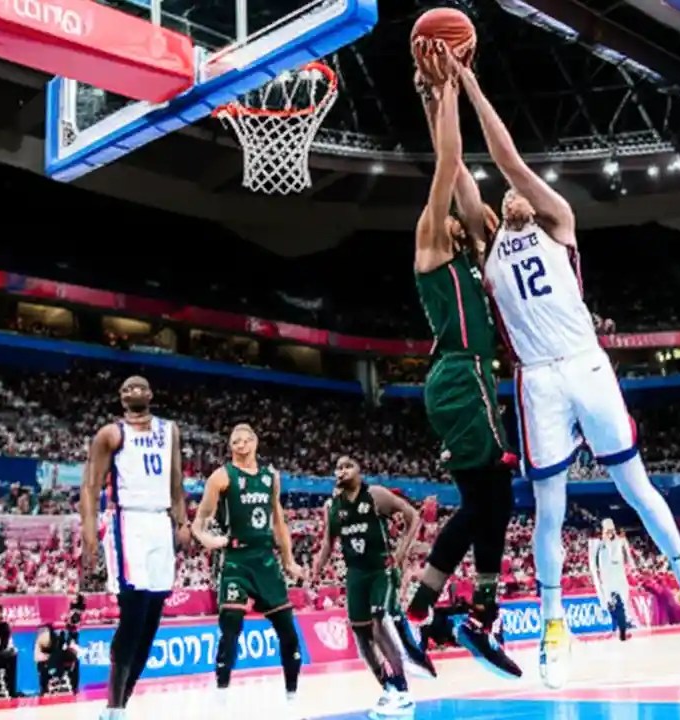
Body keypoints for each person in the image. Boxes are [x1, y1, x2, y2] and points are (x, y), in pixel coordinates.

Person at [444, 51, 680, 689]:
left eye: (520, 191)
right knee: (550, 506)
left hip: (584, 364)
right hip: (539, 377)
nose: (512, 192)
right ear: (489, 220)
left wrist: (469, 81)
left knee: (636, 486)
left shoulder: (561, 225)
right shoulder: (486, 250)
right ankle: (551, 627)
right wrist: (439, 97)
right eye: (502, 198)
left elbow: (509, 160)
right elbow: (460, 170)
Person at [405, 41, 521, 679]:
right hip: (459, 377)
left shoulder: (471, 253)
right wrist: (445, 88)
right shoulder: (429, 241)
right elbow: (449, 164)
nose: (457, 215)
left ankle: (460, 611)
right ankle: (432, 610)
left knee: (492, 502)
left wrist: (436, 96)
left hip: (470, 381)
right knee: (489, 500)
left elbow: (468, 184)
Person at [80, 376, 189, 720]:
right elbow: (90, 486)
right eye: (126, 388)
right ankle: (114, 707)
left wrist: (183, 522)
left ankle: (119, 707)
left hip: (160, 523)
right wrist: (89, 535)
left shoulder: (169, 430)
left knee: (151, 621)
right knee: (133, 615)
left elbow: (175, 482)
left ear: (151, 393)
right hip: (129, 523)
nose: (133, 391)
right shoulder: (111, 434)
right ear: (121, 398)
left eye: (139, 386)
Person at [192, 424, 306, 708]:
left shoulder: (271, 476)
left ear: (255, 443)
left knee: (288, 631)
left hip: (265, 559)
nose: (241, 444)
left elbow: (278, 521)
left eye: (246, 439)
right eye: (235, 441)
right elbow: (200, 521)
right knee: (230, 626)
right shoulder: (221, 476)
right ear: (230, 446)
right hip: (236, 559)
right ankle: (221, 697)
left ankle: (292, 697)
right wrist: (209, 539)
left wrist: (289, 560)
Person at [311, 456, 429, 716]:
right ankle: (390, 689)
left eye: (347, 466)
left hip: (380, 570)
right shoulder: (333, 506)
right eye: (338, 467)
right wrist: (315, 571)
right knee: (361, 635)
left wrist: (401, 552)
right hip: (355, 574)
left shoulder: (375, 495)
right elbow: (328, 544)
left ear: (359, 472)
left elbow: (413, 516)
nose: (341, 471)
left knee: (378, 619)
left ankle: (403, 689)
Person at [588, 519, 635, 641]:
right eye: (607, 530)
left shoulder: (619, 542)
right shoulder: (598, 544)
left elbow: (627, 556)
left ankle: (622, 629)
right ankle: (619, 629)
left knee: (620, 604)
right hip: (607, 580)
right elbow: (593, 562)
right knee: (613, 605)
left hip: (619, 578)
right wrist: (596, 577)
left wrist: (632, 567)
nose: (610, 533)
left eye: (612, 530)